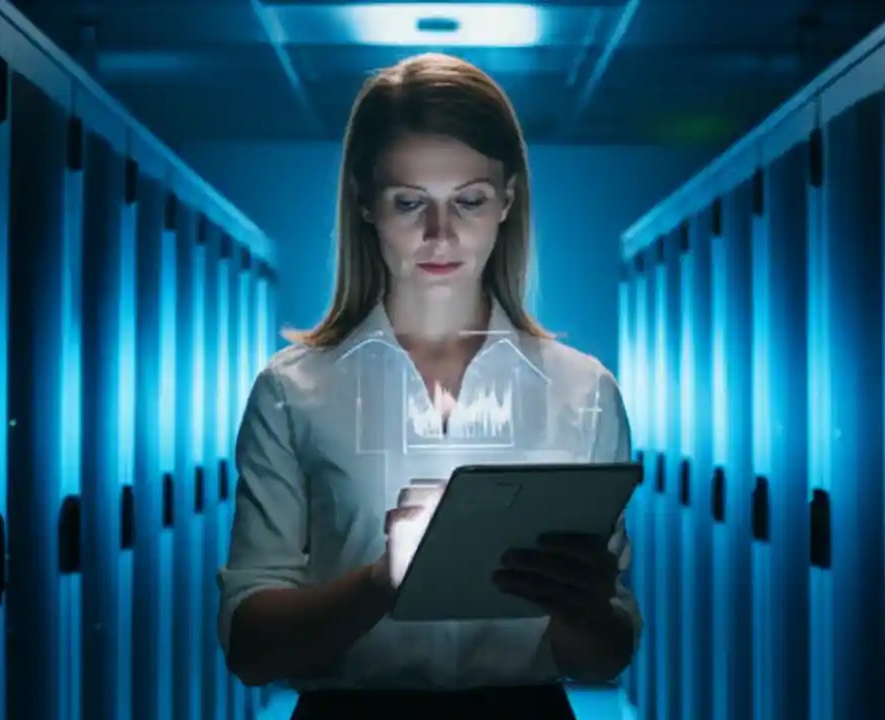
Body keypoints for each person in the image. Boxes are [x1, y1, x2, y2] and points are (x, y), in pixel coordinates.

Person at [216, 52, 641, 719]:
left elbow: (605, 654)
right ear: (365, 203)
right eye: (409, 202)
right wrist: (383, 581)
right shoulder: (293, 391)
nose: (440, 234)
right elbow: (249, 647)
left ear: (507, 199)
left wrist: (587, 605)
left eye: (468, 200)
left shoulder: (582, 390)